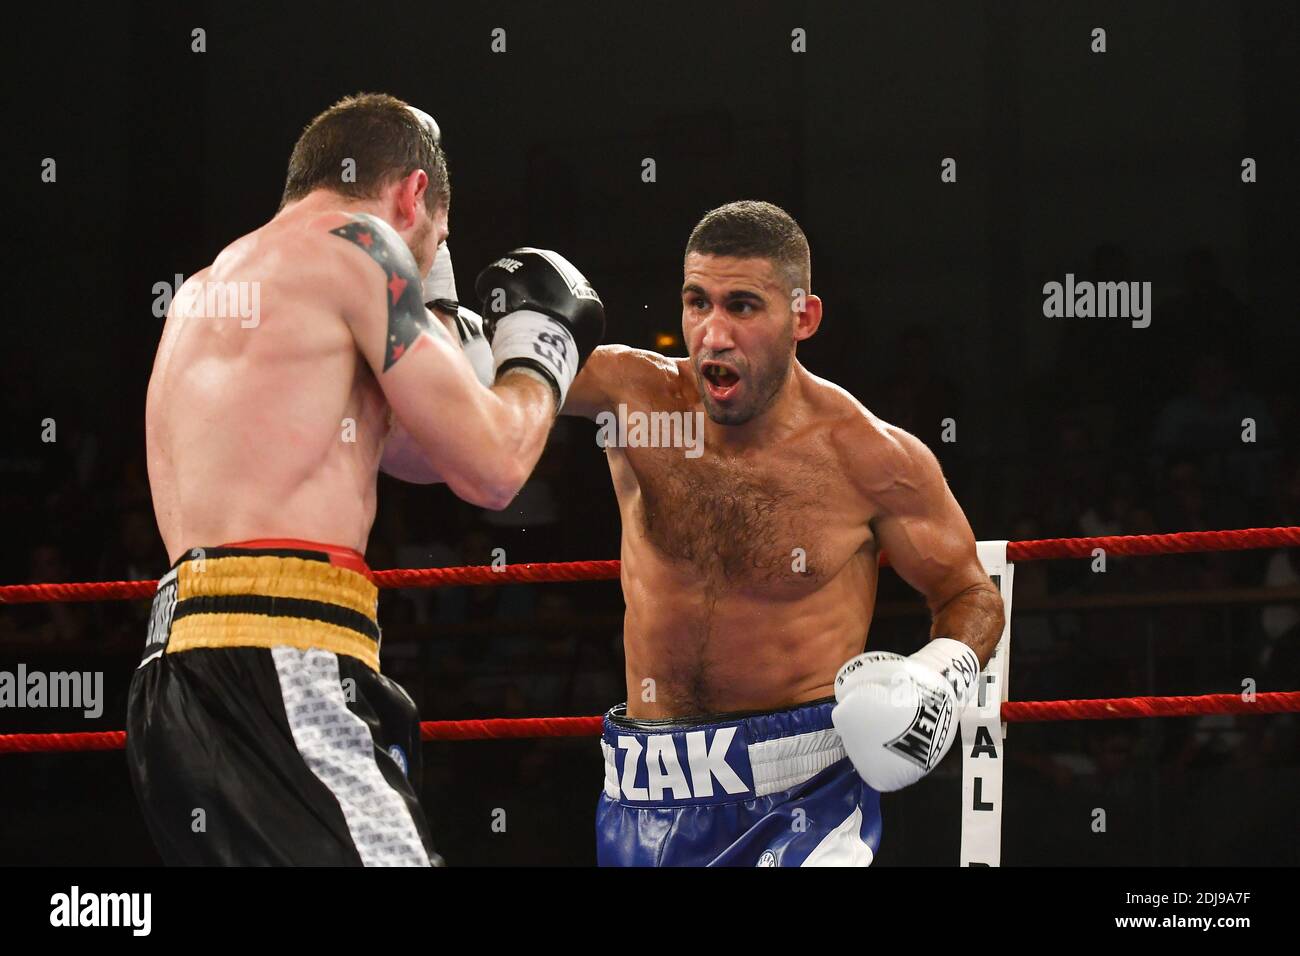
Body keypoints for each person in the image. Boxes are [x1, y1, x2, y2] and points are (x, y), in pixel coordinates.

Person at [128, 93, 604, 865]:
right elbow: (493, 469)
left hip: (177, 678)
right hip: (282, 663)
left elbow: (423, 452)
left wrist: (443, 308)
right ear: (413, 195)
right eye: (435, 239)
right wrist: (538, 357)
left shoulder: (213, 287)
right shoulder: (361, 245)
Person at [562, 200, 1003, 865]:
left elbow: (970, 591)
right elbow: (477, 375)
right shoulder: (634, 397)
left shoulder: (871, 458)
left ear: (804, 316)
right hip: (645, 791)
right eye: (696, 302)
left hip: (804, 797)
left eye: (742, 306)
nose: (712, 333)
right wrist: (431, 286)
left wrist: (935, 679)